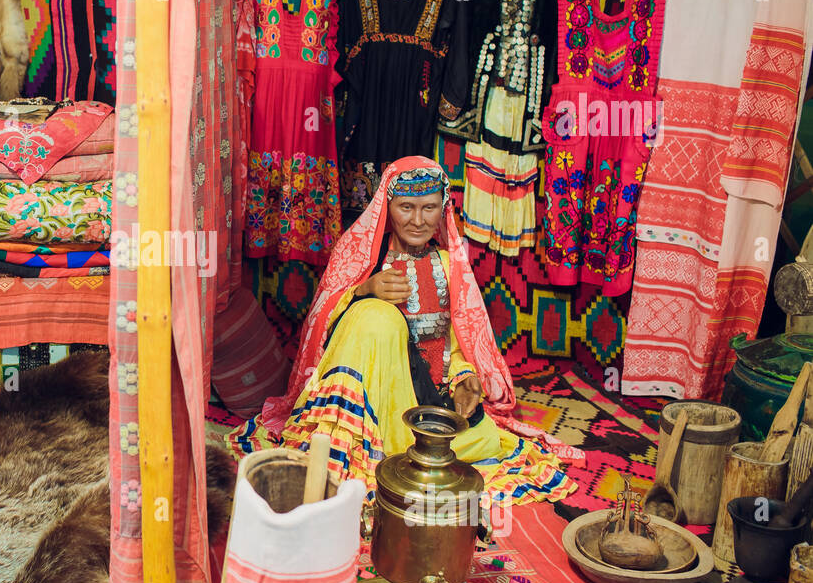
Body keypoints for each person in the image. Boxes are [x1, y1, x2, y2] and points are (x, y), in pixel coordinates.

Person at [237, 155, 581, 506]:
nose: (418, 221)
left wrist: (465, 378)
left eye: (429, 208)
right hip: (370, 392)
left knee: (488, 439)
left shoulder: (449, 266)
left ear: (442, 208)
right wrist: (363, 291)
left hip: (423, 396)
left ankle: (391, 447)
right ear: (387, 207)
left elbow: (458, 343)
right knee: (375, 317)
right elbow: (321, 327)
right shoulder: (363, 261)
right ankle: (371, 440)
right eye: (406, 207)